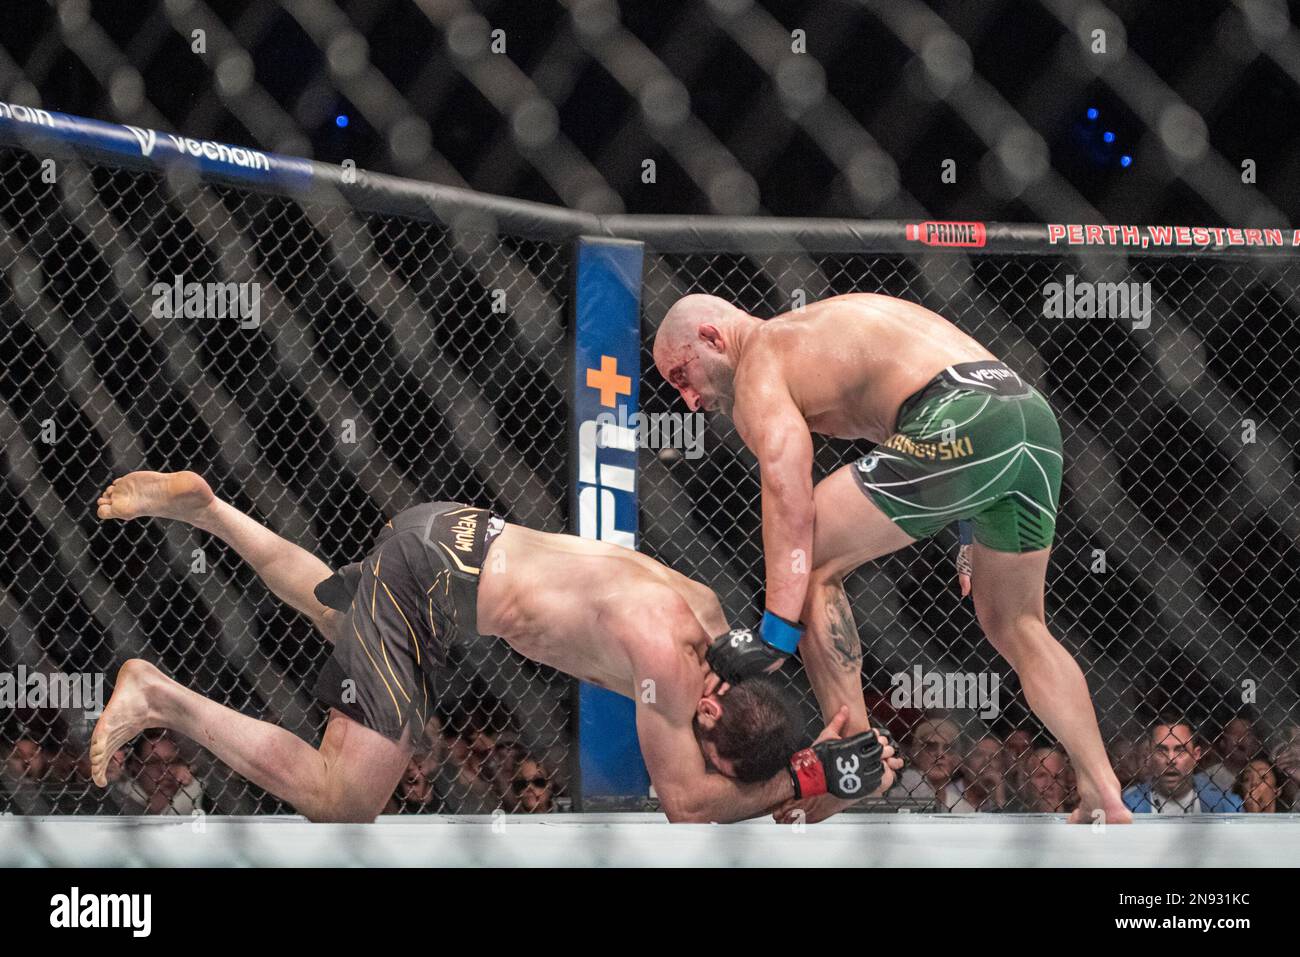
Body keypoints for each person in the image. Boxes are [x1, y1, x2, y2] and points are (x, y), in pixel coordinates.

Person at [89, 470, 898, 823]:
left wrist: (829, 762)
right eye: (708, 742)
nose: (695, 746)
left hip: (457, 535)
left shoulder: (708, 612)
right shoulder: (666, 657)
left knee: (339, 611)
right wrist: (810, 774)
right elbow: (690, 804)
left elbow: (739, 778)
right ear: (713, 701)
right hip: (435, 578)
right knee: (347, 797)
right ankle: (160, 694)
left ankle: (210, 512)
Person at [653, 292, 1129, 824]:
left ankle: (854, 760)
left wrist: (777, 632)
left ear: (714, 337)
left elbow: (788, 494)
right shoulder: (818, 333)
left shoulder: (760, 363)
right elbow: (937, 412)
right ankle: (1101, 787)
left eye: (681, 374)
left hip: (959, 416)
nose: (689, 399)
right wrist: (967, 531)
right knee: (1017, 623)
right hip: (1029, 421)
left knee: (809, 563)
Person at [1122, 718, 1243, 814]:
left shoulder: (1227, 805)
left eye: (1180, 750)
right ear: (1148, 756)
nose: (1171, 759)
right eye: (1161, 751)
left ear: (1196, 755)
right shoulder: (1126, 806)